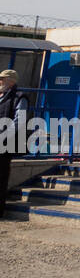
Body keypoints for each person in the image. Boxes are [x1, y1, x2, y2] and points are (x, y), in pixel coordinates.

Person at [0, 70, 29, 217]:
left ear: (11, 81)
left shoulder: (19, 97)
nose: (0, 82)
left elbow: (19, 120)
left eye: (3, 79)